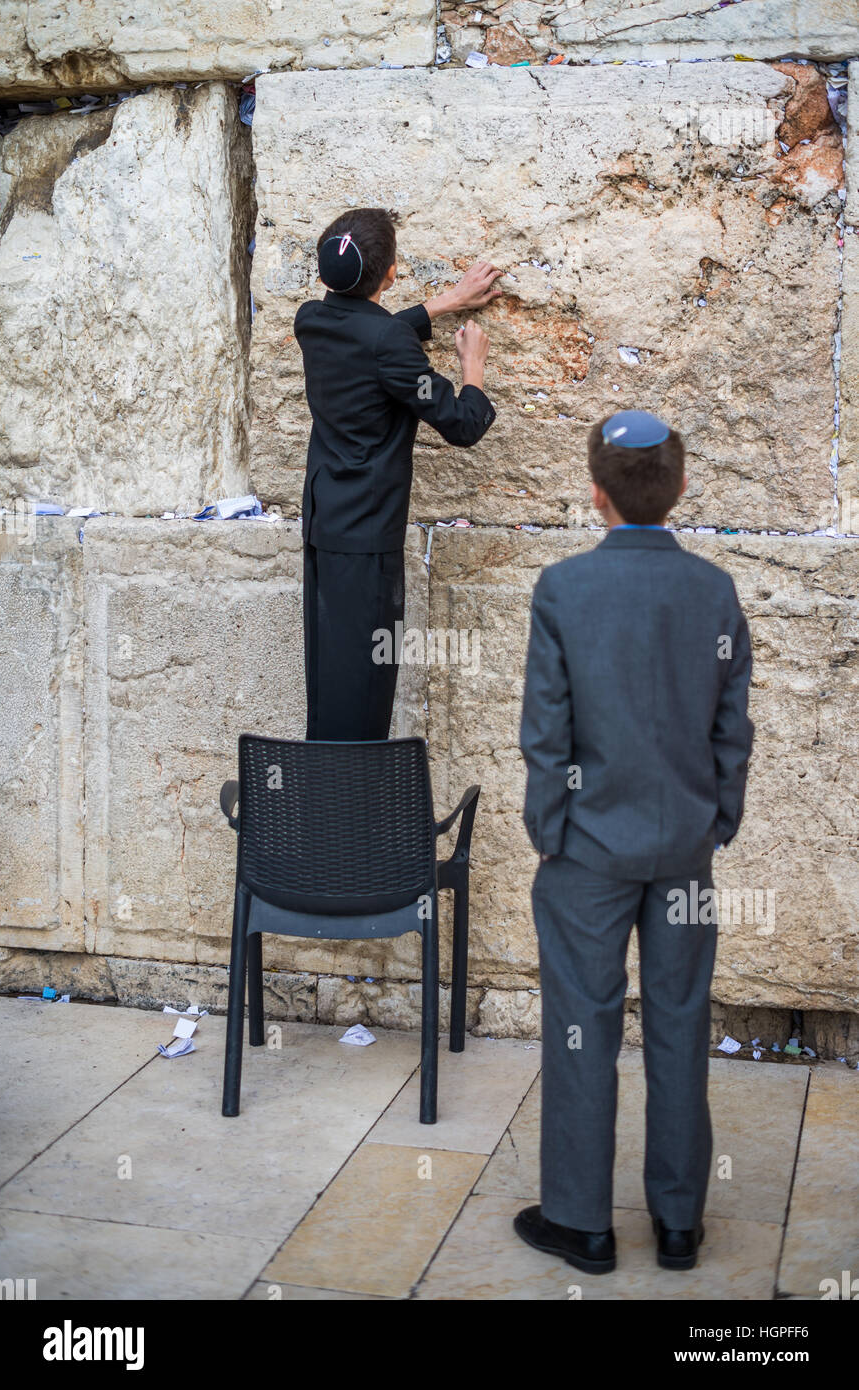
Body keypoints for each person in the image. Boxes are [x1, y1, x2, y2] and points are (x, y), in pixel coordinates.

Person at [516, 409, 754, 1274]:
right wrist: (716, 819)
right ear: (681, 489)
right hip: (684, 844)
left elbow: (546, 731)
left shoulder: (563, 590)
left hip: (589, 846)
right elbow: (734, 728)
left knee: (583, 1021)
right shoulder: (714, 591)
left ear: (595, 495)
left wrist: (549, 827)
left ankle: (582, 1221)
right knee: (681, 1022)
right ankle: (680, 1223)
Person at [294, 207, 500, 741]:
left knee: (331, 693)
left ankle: (326, 811)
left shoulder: (311, 322)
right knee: (362, 702)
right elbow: (462, 422)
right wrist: (473, 367)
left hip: (324, 532)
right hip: (366, 549)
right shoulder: (387, 345)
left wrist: (448, 301)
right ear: (389, 275)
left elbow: (374, 336)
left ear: (325, 275)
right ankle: (354, 813)